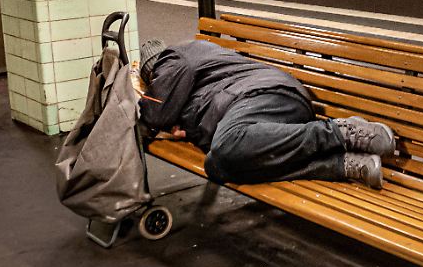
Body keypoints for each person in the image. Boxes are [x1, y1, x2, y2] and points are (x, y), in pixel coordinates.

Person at [137, 39, 395, 189]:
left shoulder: (174, 57)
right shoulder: (192, 82)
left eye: (157, 80)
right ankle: (340, 165)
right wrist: (185, 126)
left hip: (266, 95)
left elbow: (156, 113)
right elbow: (195, 110)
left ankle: (341, 132)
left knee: (227, 145)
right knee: (217, 165)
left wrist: (153, 113)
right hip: (262, 123)